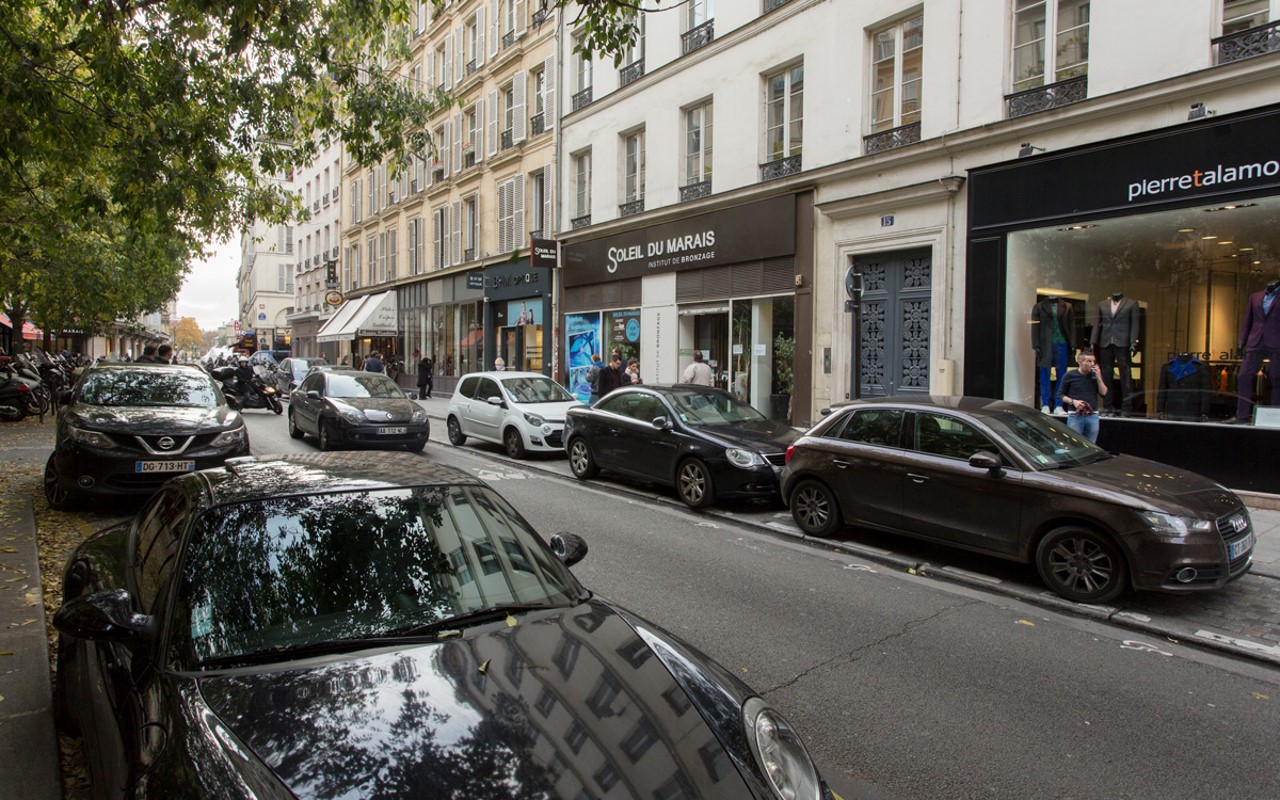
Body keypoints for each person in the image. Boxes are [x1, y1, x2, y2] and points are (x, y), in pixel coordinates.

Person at [1233, 279, 1280, 423]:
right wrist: (1242, 343)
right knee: (1243, 376)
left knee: (1276, 377)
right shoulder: (1255, 297)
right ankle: (1242, 415)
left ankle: (1275, 414)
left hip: (1277, 341)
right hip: (1255, 341)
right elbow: (1248, 321)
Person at [1057, 349, 1108, 442]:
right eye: (1089, 361)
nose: (1092, 364)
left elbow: (1104, 393)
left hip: (1092, 415)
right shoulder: (1070, 375)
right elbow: (1060, 395)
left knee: (1091, 443)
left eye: (1093, 361)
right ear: (1080, 362)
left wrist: (1099, 378)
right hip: (1075, 415)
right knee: (1074, 443)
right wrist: (1073, 401)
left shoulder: (1094, 376)